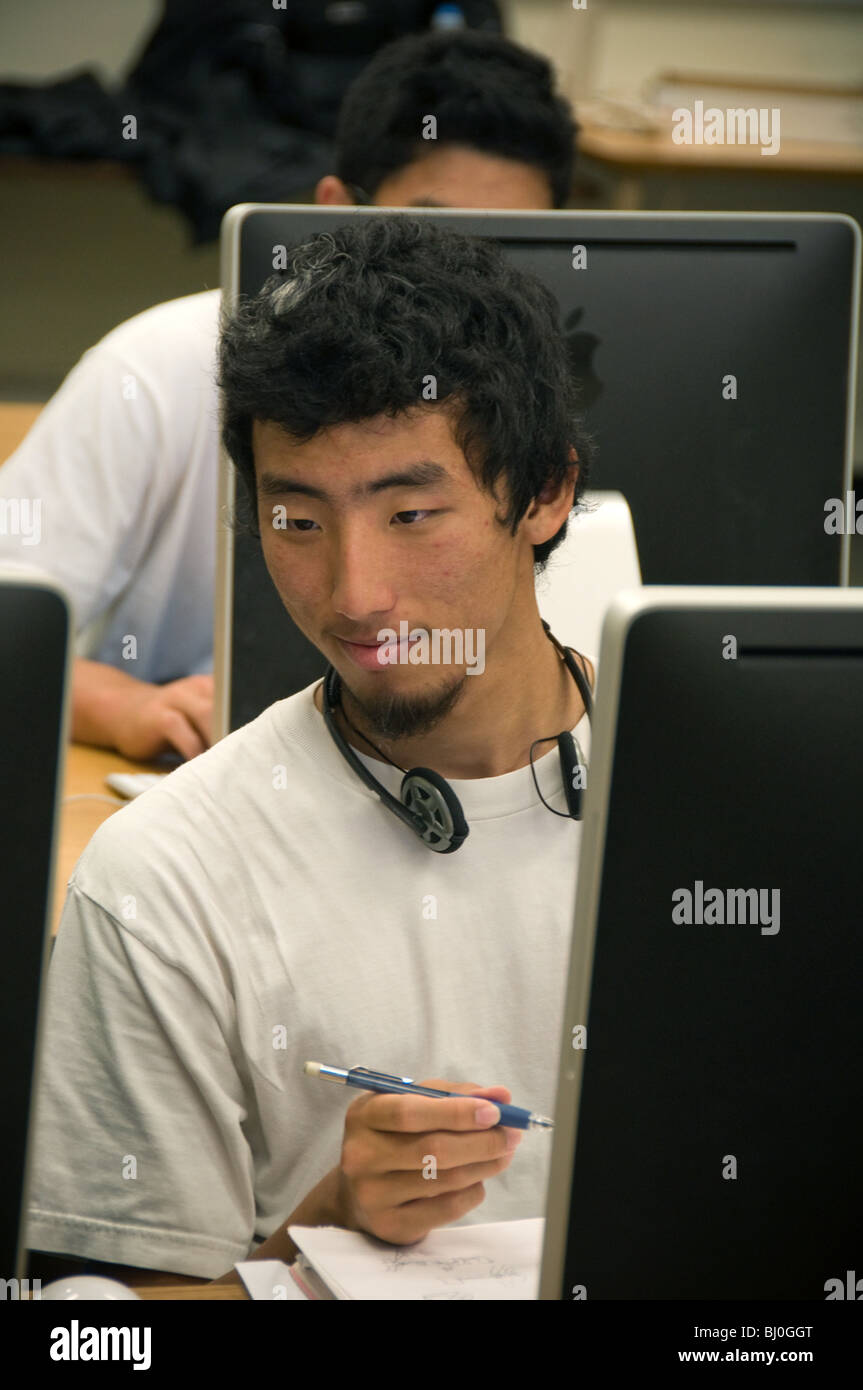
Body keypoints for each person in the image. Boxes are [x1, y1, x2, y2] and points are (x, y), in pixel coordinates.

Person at [25, 214, 596, 1287]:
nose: (354, 594)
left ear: (546, 492)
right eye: (295, 521)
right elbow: (91, 1337)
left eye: (412, 513)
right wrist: (311, 1239)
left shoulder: (744, 811)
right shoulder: (165, 877)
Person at [0, 30, 577, 762]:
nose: (462, 275)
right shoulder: (159, 366)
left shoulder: (557, 387)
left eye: (509, 247)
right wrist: (121, 705)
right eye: (434, 229)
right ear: (334, 208)